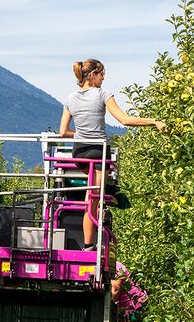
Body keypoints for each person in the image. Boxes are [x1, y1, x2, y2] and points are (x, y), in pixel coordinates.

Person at [59, 59, 166, 249]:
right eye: (101, 75)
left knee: (91, 195)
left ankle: (89, 241)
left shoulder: (70, 98)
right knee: (93, 201)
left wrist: (81, 134)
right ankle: (90, 244)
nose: (103, 79)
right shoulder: (102, 94)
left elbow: (63, 132)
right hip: (98, 153)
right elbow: (124, 120)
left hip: (80, 154)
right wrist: (154, 121)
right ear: (92, 75)